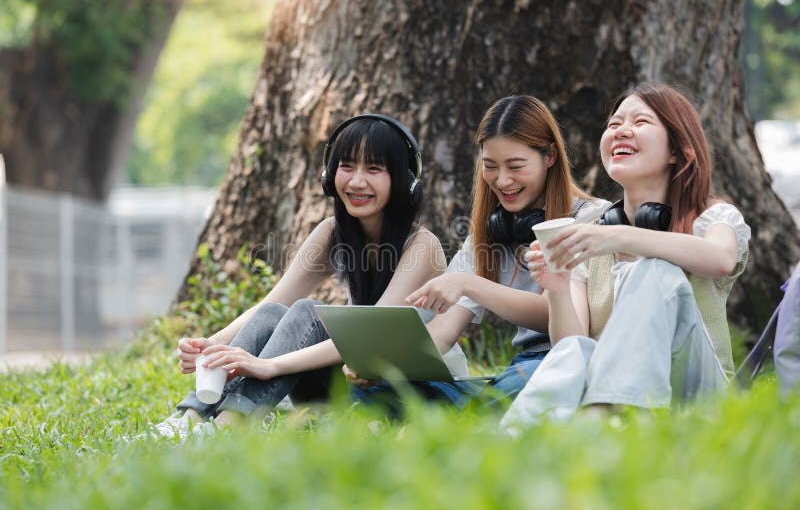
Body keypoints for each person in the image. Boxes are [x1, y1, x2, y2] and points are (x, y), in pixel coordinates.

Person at [156, 114, 464, 437]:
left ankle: (228, 426)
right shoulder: (333, 233)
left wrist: (270, 365)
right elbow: (271, 304)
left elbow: (371, 337)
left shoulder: (422, 246)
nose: (357, 181)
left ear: (404, 180)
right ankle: (189, 417)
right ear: (329, 175)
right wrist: (211, 345)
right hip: (354, 386)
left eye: (374, 169)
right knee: (273, 312)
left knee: (307, 312)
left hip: (418, 394)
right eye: (346, 166)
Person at [502, 82, 752, 431]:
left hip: (697, 399)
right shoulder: (591, 231)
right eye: (614, 124)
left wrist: (615, 236)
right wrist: (557, 290)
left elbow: (720, 258)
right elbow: (569, 343)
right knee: (575, 351)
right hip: (609, 388)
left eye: (641, 122)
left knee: (654, 271)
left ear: (677, 152)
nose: (621, 131)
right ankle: (513, 441)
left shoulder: (713, 217)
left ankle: (596, 427)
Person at [346, 95, 608, 408]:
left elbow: (556, 314)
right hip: (519, 370)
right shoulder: (487, 234)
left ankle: (478, 415)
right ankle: (481, 413)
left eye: (515, 166)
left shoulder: (591, 219)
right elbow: (444, 330)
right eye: (491, 166)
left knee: (518, 385)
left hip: (567, 363)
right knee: (374, 389)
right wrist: (387, 365)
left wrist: (472, 285)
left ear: (550, 156)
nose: (503, 180)